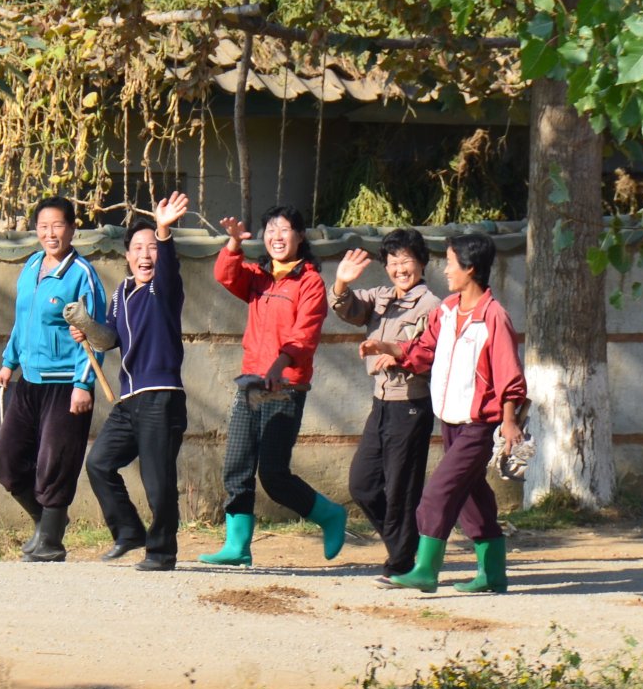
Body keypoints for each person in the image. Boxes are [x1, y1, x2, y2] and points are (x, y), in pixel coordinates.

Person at [360, 232, 526, 593]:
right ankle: (492, 573)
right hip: (450, 420)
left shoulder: (494, 317)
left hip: (480, 424)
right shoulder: (448, 309)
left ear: (469, 268)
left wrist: (510, 421)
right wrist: (387, 347)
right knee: (470, 495)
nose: (446, 270)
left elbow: (509, 372)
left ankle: (425, 569)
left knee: (437, 494)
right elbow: (422, 348)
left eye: (451, 263)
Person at [199, 204, 349, 566]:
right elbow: (225, 275)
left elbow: (306, 334)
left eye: (284, 230)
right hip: (251, 382)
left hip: (285, 386)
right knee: (236, 464)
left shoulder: (310, 282)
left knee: (273, 473)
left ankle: (328, 514)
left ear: (299, 237)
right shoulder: (259, 277)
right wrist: (233, 244)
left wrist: (281, 363)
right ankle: (237, 546)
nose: (277, 237)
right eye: (270, 230)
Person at [76, 192, 190, 571]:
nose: (146, 255)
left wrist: (163, 229)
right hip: (128, 400)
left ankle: (161, 553)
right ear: (126, 256)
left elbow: (169, 266)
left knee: (158, 481)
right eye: (138, 248)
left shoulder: (164, 289)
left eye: (152, 248)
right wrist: (87, 329)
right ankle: (129, 532)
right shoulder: (119, 294)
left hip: (161, 398)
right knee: (99, 463)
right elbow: (110, 338)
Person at [0, 196, 107, 562]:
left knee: (55, 462)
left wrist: (82, 384)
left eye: (57, 225)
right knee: (6, 460)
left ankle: (51, 543)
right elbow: (21, 321)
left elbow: (95, 335)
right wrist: (9, 363)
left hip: (66, 383)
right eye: (43, 226)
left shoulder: (82, 275)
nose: (50, 233)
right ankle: (47, 523)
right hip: (30, 380)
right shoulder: (31, 266)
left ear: (73, 228)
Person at [332, 229, 437, 579]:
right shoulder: (381, 297)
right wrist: (341, 284)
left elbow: (430, 353)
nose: (400, 268)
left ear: (421, 262)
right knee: (362, 484)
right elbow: (350, 309)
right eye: (393, 262)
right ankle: (410, 547)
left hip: (410, 405)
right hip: (380, 403)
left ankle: (401, 563)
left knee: (400, 490)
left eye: (406, 260)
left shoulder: (432, 306)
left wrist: (399, 358)